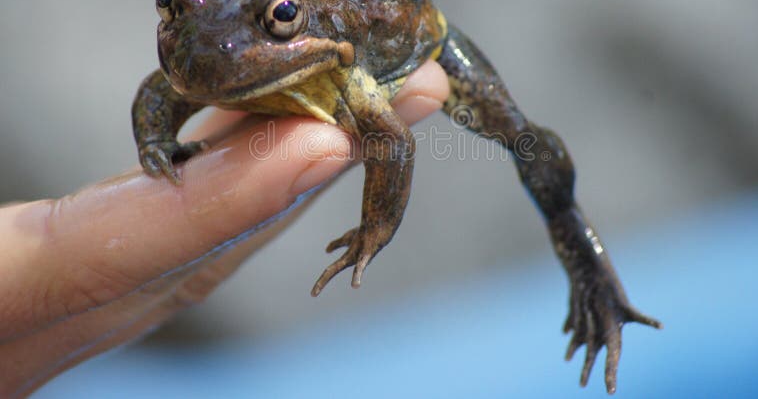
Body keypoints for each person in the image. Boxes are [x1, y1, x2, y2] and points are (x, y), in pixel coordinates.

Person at [0, 61, 449, 396]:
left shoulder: (351, 78)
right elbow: (161, 91)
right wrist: (156, 142)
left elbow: (392, 140)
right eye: (172, 5)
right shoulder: (204, 55)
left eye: (281, 15)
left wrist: (375, 228)